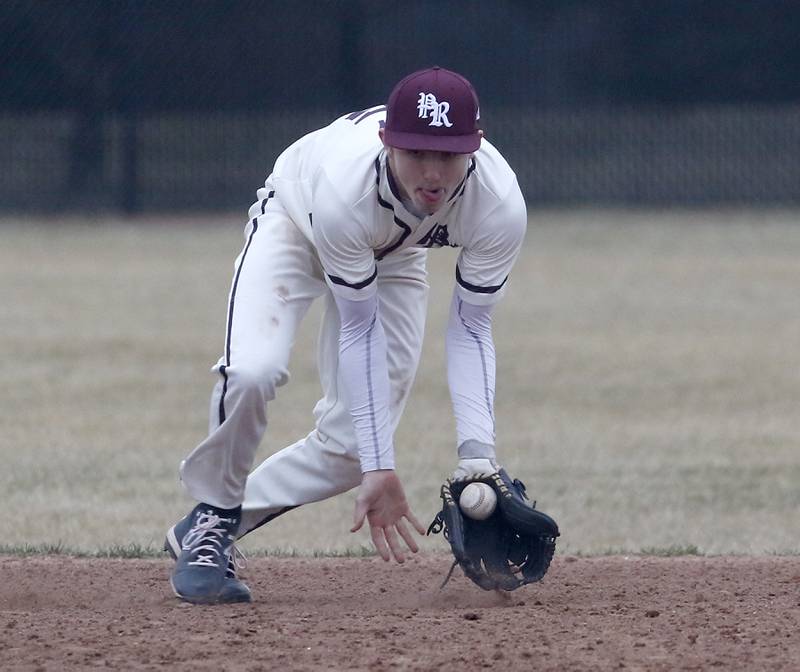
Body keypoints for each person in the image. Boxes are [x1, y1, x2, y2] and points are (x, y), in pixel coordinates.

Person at [166, 66, 528, 604]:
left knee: (350, 450)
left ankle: (202, 525)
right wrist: (382, 468)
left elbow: (472, 327)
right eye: (416, 152)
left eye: (448, 154)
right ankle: (216, 516)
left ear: (474, 148)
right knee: (254, 370)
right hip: (297, 224)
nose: (433, 172)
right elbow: (358, 329)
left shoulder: (498, 204)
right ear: (387, 143)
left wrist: (479, 458)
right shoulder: (346, 188)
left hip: (394, 253)